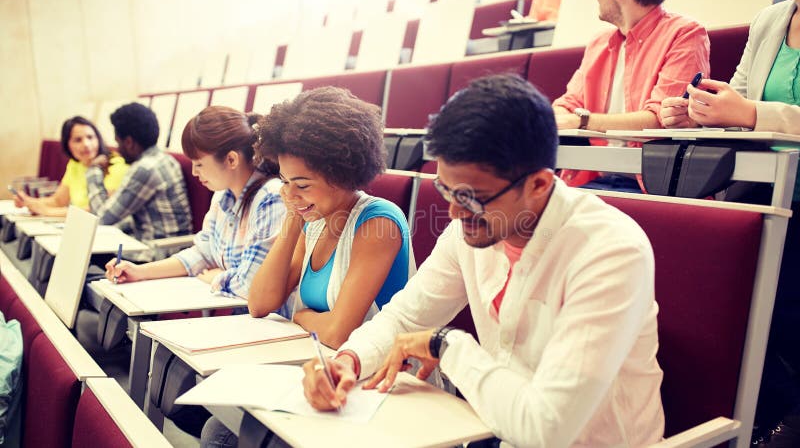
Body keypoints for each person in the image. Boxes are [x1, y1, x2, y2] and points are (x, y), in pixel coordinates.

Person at [301, 75, 664, 447]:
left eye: (471, 197)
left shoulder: (610, 252)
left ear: (539, 184)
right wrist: (348, 361)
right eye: (445, 190)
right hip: (495, 431)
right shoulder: (473, 227)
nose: (456, 213)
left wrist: (446, 345)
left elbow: (547, 430)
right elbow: (407, 317)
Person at [200, 87, 413, 448]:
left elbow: (336, 333)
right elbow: (261, 303)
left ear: (343, 174)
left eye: (302, 185)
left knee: (229, 438)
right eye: (284, 182)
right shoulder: (314, 219)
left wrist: (300, 315)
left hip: (379, 382)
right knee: (218, 431)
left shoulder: (379, 223)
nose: (290, 193)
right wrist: (293, 221)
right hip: (327, 369)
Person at [661, 0, 800, 445]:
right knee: (721, 301)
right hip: (760, 192)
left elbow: (750, 110)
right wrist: (701, 111)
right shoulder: (771, 18)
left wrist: (750, 114)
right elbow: (739, 97)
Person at [105, 106, 285, 299]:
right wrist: (140, 272)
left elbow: (252, 285)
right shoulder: (223, 194)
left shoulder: (270, 198)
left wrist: (215, 278)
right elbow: (202, 254)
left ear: (231, 159)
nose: (194, 172)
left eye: (199, 164)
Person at [552, 0, 710, 190]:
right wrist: (565, 117)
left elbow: (660, 121)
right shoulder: (599, 43)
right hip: (592, 178)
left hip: (649, 186)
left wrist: (582, 121)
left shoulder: (685, 34)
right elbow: (566, 105)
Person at [87, 102, 192, 243]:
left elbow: (101, 218)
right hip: (166, 248)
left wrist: (93, 171)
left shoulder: (145, 168)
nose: (118, 149)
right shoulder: (165, 159)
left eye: (118, 143)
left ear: (129, 142)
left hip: (156, 254)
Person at [13, 116, 128, 216]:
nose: (86, 144)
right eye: (78, 140)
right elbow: (58, 201)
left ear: (98, 138)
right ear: (67, 145)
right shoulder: (75, 164)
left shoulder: (116, 163)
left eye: (90, 137)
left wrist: (46, 211)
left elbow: (97, 210)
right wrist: (28, 202)